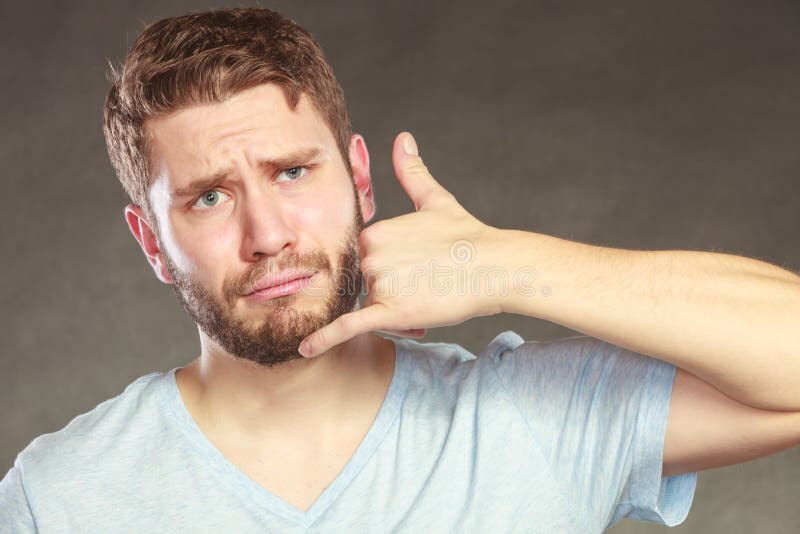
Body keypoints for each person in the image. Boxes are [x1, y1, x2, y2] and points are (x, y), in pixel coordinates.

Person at [2, 7, 799, 532]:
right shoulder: (58, 497)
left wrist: (506, 267)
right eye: (210, 198)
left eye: (290, 172)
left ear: (358, 179)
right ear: (151, 242)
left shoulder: (527, 419)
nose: (267, 234)